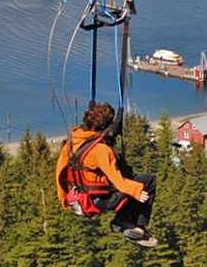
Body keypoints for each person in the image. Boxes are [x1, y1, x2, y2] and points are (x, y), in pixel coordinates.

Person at [56, 102, 157, 247]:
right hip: (101, 199)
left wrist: (64, 200)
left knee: (133, 184)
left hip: (80, 197)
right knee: (147, 182)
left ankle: (125, 222)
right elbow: (119, 181)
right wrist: (136, 190)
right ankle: (133, 225)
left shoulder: (73, 142)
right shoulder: (101, 151)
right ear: (105, 127)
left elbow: (60, 171)